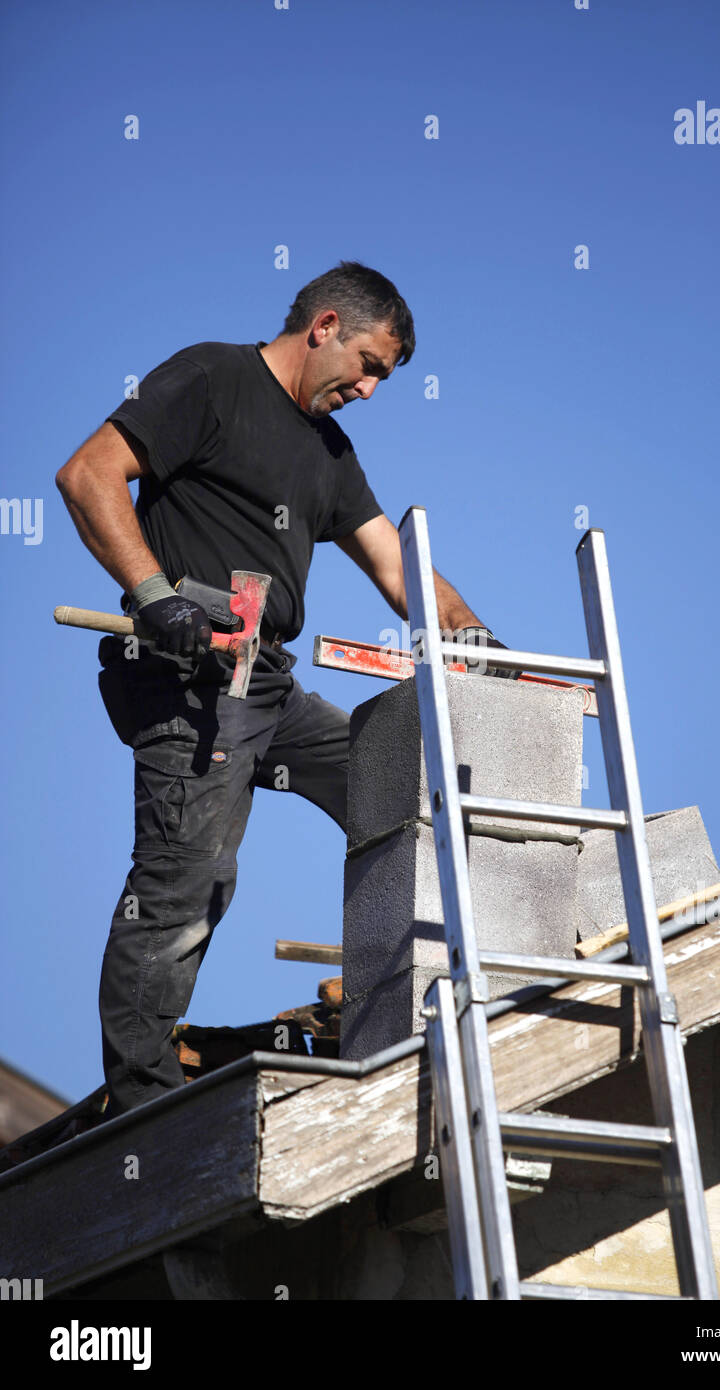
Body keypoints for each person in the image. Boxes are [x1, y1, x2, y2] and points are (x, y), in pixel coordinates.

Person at [56, 261, 516, 1117]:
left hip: (266, 684)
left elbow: (397, 566)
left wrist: (479, 643)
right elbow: (88, 474)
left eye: (382, 378)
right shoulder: (211, 378)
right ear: (325, 325)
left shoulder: (327, 452)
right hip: (189, 681)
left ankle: (429, 995)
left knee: (401, 787)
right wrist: (155, 596)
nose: (369, 390)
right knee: (189, 879)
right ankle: (145, 1105)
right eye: (369, 366)